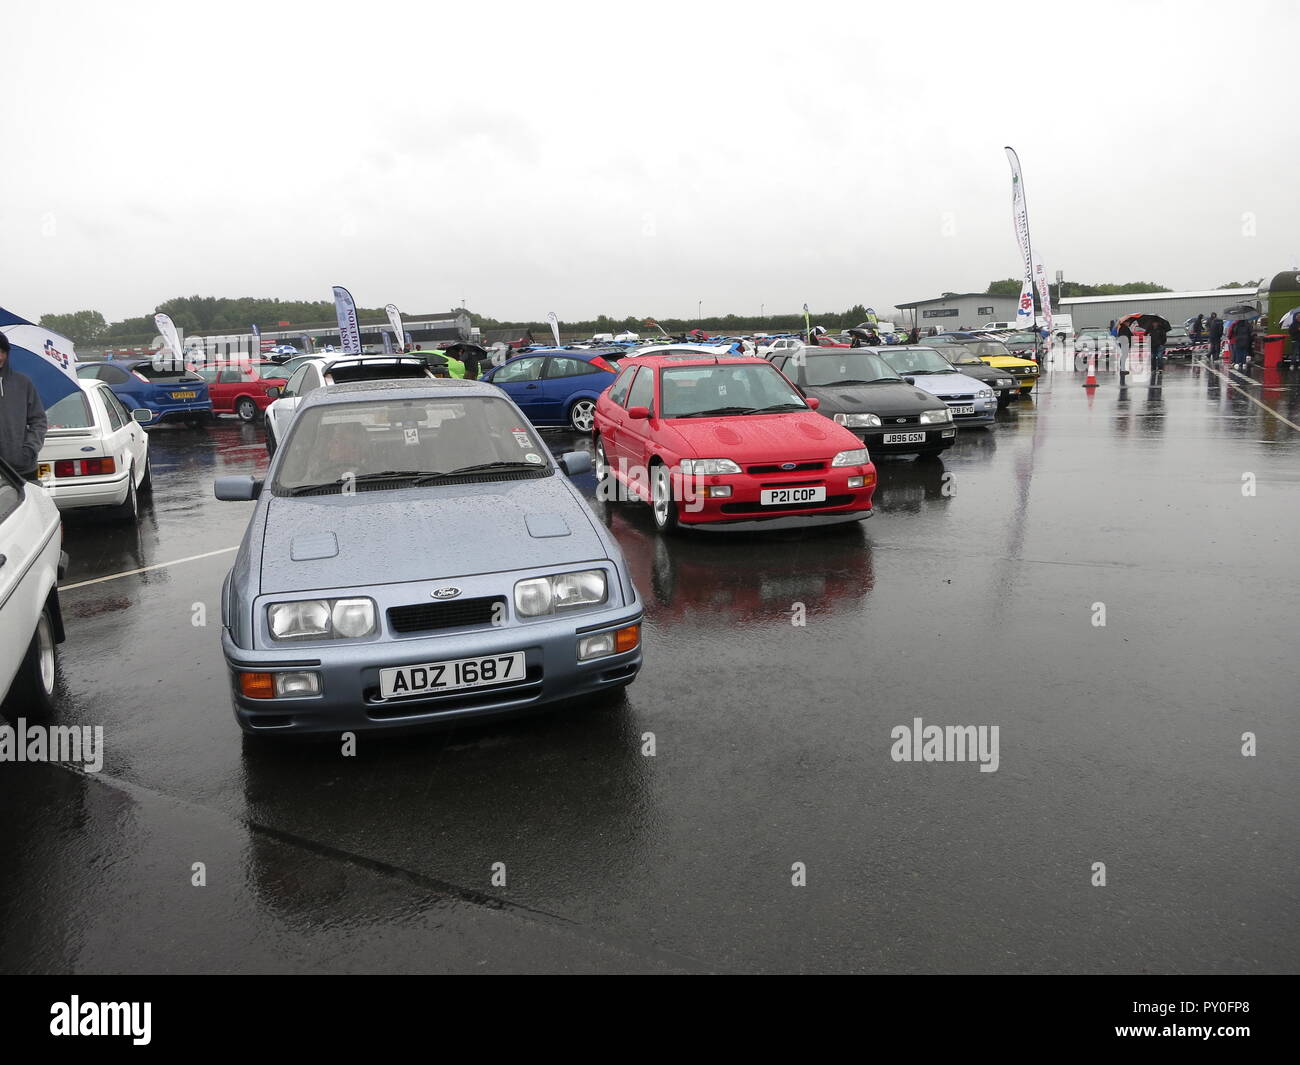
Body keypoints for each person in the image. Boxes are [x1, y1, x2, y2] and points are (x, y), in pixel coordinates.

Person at [0, 332, 49, 480]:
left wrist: (29, 449)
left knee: (34, 503)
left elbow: (39, 421)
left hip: (24, 470)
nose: (0, 357)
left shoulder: (23, 383)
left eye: (3, 352)